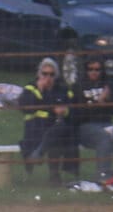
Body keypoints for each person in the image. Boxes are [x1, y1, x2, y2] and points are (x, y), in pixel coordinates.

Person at [67, 56, 113, 183]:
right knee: (103, 136)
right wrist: (98, 102)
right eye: (90, 69)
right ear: (85, 70)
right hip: (85, 127)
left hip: (105, 123)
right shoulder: (78, 86)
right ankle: (103, 177)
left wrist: (107, 101)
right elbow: (77, 113)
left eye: (97, 69)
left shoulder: (109, 85)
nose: (94, 72)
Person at [17, 57, 77, 186]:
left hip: (55, 129)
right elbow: (24, 107)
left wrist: (64, 111)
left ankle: (38, 155)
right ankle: (54, 175)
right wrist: (39, 90)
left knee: (59, 131)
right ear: (39, 74)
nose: (48, 77)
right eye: (44, 74)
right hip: (35, 130)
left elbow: (73, 110)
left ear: (56, 76)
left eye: (51, 74)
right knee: (57, 134)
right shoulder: (30, 88)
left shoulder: (63, 90)